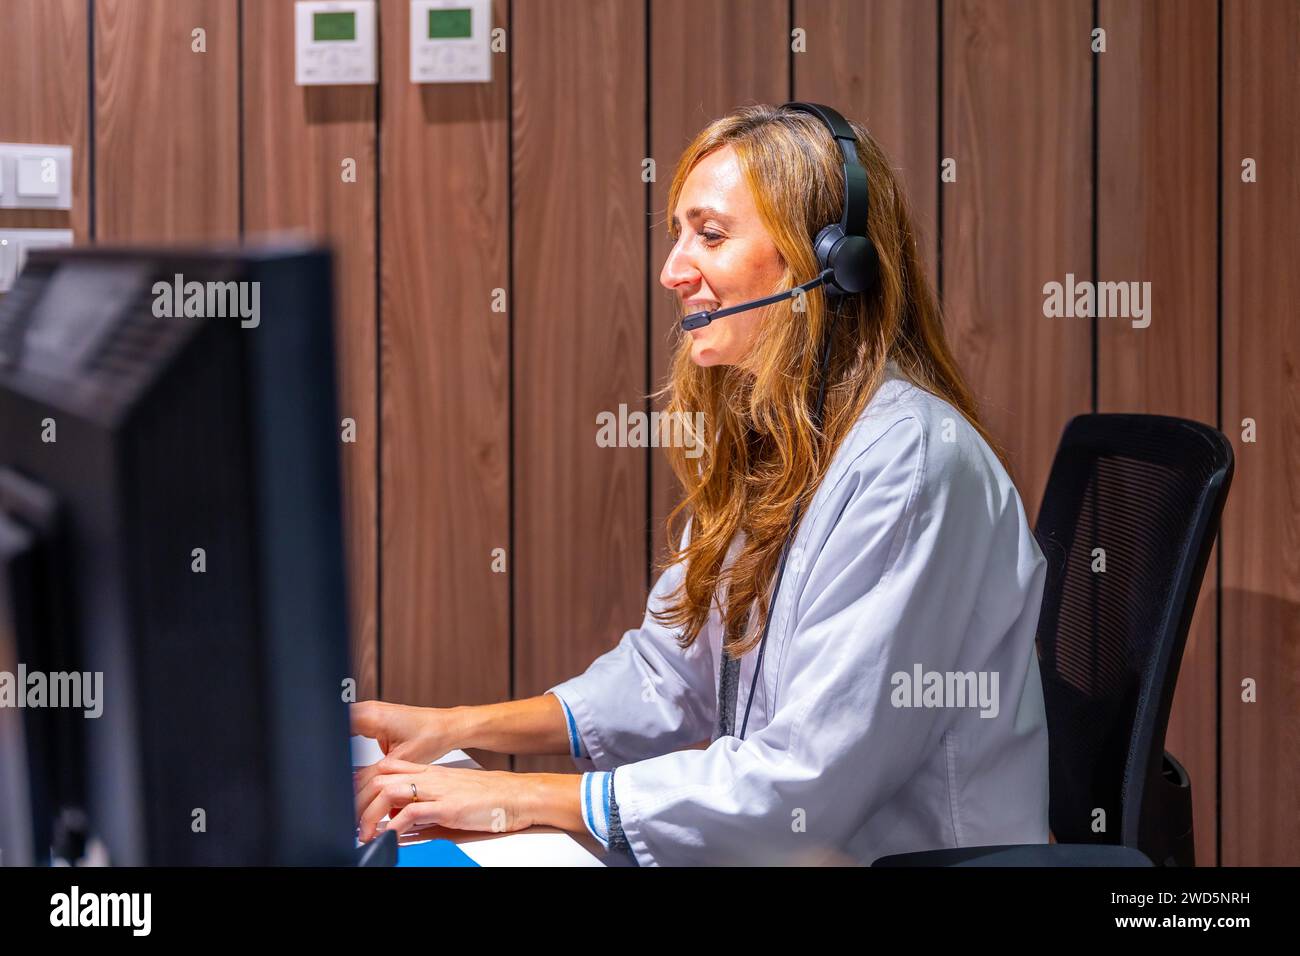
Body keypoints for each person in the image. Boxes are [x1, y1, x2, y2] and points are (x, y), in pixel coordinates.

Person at [352, 103, 1049, 866]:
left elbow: (805, 786)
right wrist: (458, 728)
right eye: (678, 234)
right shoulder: (776, 440)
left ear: (826, 262)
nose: (672, 271)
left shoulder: (910, 464)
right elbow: (669, 675)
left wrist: (522, 797)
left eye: (710, 235)